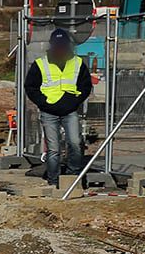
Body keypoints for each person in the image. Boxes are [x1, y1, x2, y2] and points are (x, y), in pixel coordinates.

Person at [24, 27, 93, 188]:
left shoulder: (77, 63)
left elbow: (85, 86)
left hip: (70, 111)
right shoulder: (40, 64)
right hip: (49, 111)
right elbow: (31, 87)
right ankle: (54, 180)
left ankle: (72, 177)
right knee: (53, 149)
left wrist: (74, 100)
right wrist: (43, 102)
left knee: (75, 143)